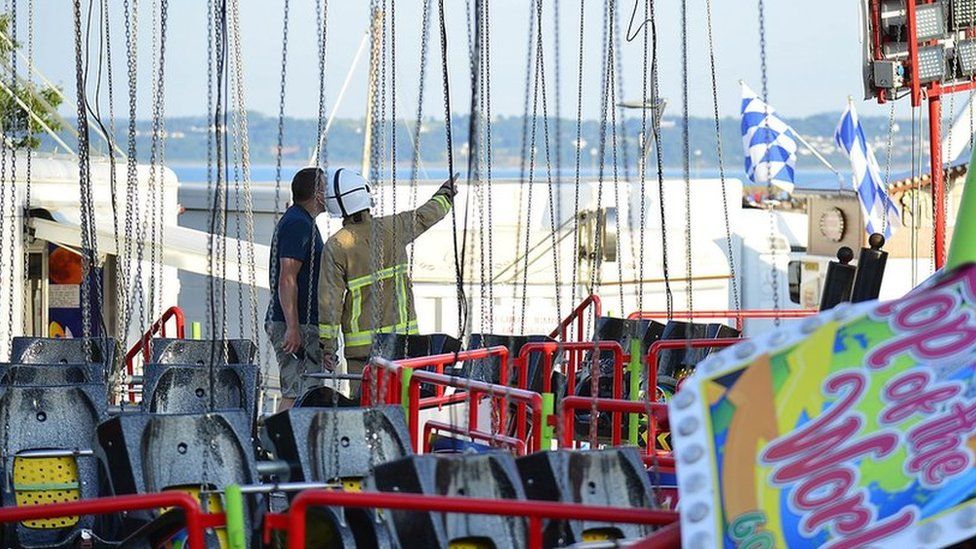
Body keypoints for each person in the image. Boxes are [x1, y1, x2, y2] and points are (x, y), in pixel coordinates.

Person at [317, 169, 458, 396]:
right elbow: (427, 215)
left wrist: (328, 347)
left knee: (364, 404)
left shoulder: (335, 246)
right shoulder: (394, 227)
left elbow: (329, 303)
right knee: (404, 402)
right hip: (403, 345)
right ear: (364, 195)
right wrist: (446, 193)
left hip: (362, 350)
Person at [266, 167, 326, 411]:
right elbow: (287, 277)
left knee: (305, 392)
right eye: (324, 187)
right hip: (294, 323)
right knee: (297, 393)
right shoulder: (298, 224)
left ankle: (287, 435)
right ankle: (281, 436)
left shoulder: (302, 221)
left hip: (300, 322)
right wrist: (292, 328)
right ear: (317, 193)